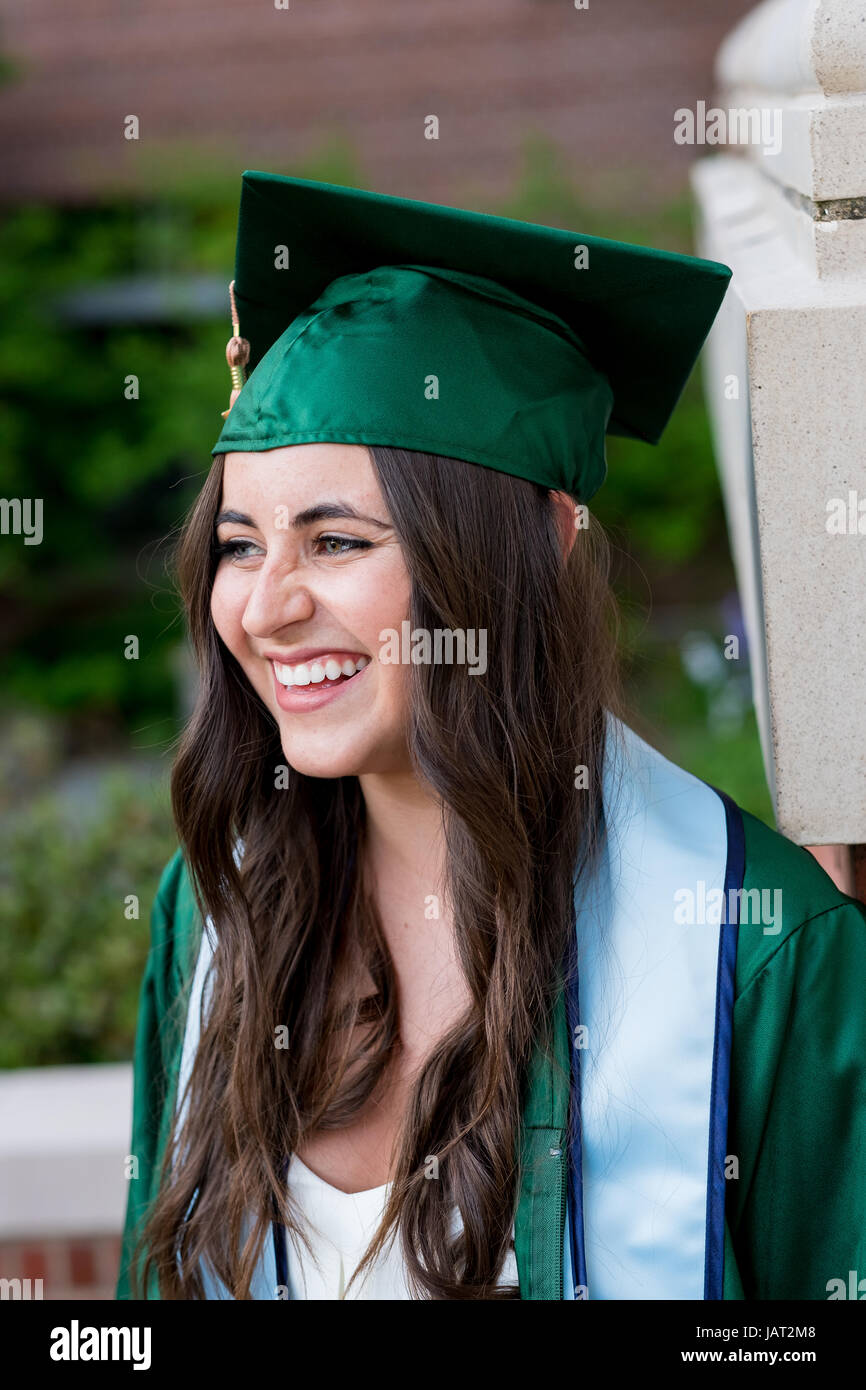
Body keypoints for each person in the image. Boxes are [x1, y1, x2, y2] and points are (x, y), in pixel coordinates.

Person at [117, 172, 866, 1301]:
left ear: (535, 542)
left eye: (334, 543)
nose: (263, 607)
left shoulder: (763, 956)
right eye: (237, 543)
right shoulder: (215, 907)